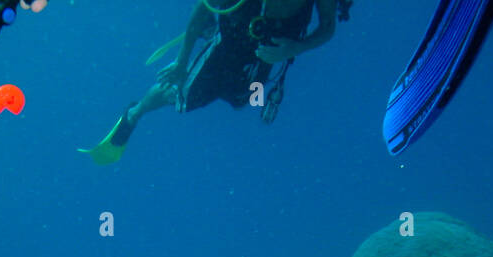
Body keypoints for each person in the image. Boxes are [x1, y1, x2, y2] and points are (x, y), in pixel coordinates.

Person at [82, 0, 344, 164]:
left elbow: (328, 26)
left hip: (270, 48)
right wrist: (182, 63)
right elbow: (200, 9)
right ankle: (133, 113)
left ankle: (208, 35)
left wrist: (294, 48)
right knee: (183, 98)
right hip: (230, 41)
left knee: (243, 101)